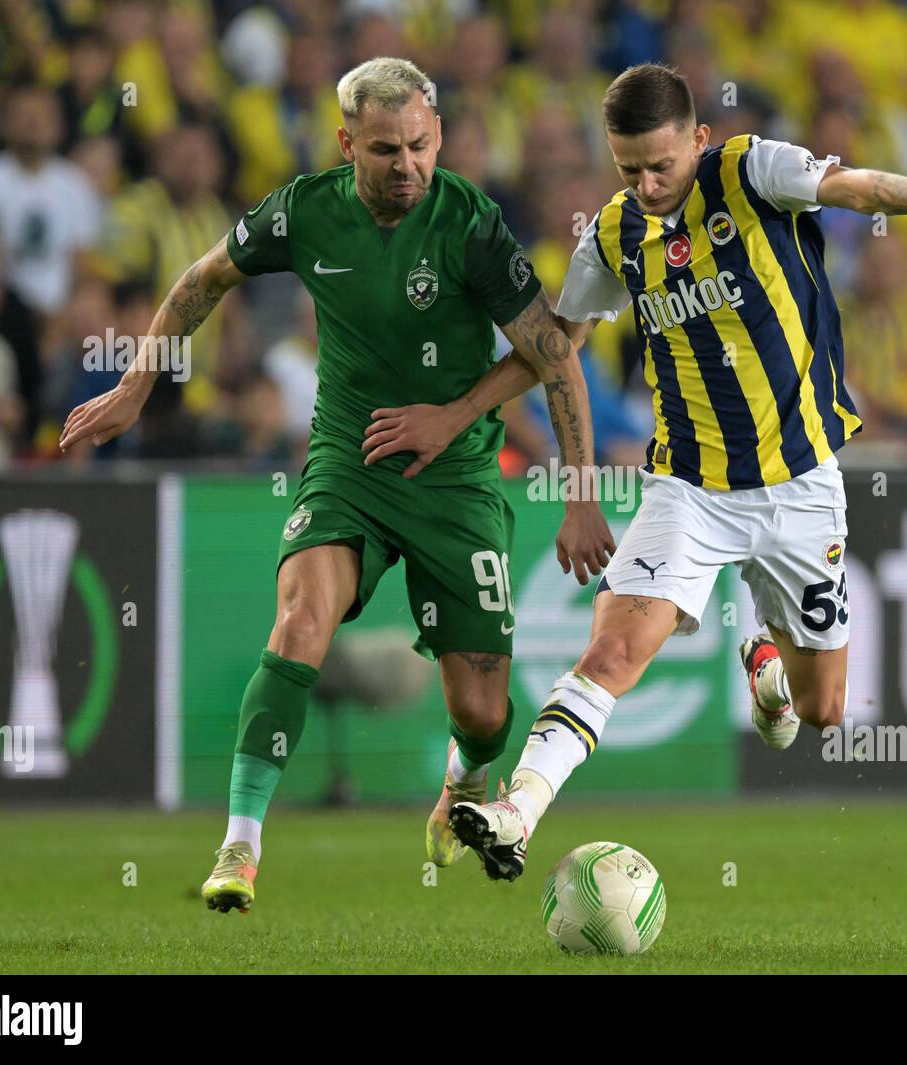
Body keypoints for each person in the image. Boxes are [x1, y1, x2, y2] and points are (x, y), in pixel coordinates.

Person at [368, 63, 907, 881]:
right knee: (612, 652)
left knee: (820, 710)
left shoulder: (754, 171)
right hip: (690, 487)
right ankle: (517, 810)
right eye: (628, 169)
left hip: (801, 484)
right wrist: (456, 413)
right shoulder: (612, 235)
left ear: (698, 140)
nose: (646, 185)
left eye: (661, 165)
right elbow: (557, 342)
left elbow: (852, 185)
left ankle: (766, 665)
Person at [59, 57, 613, 912]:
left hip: (456, 475)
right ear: (346, 141)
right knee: (299, 622)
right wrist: (134, 386)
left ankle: (464, 782)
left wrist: (578, 497)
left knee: (481, 708)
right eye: (387, 149)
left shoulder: (469, 223)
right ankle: (240, 846)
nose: (409, 167)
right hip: (350, 461)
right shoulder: (304, 211)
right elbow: (198, 281)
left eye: (423, 146)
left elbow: (552, 354)